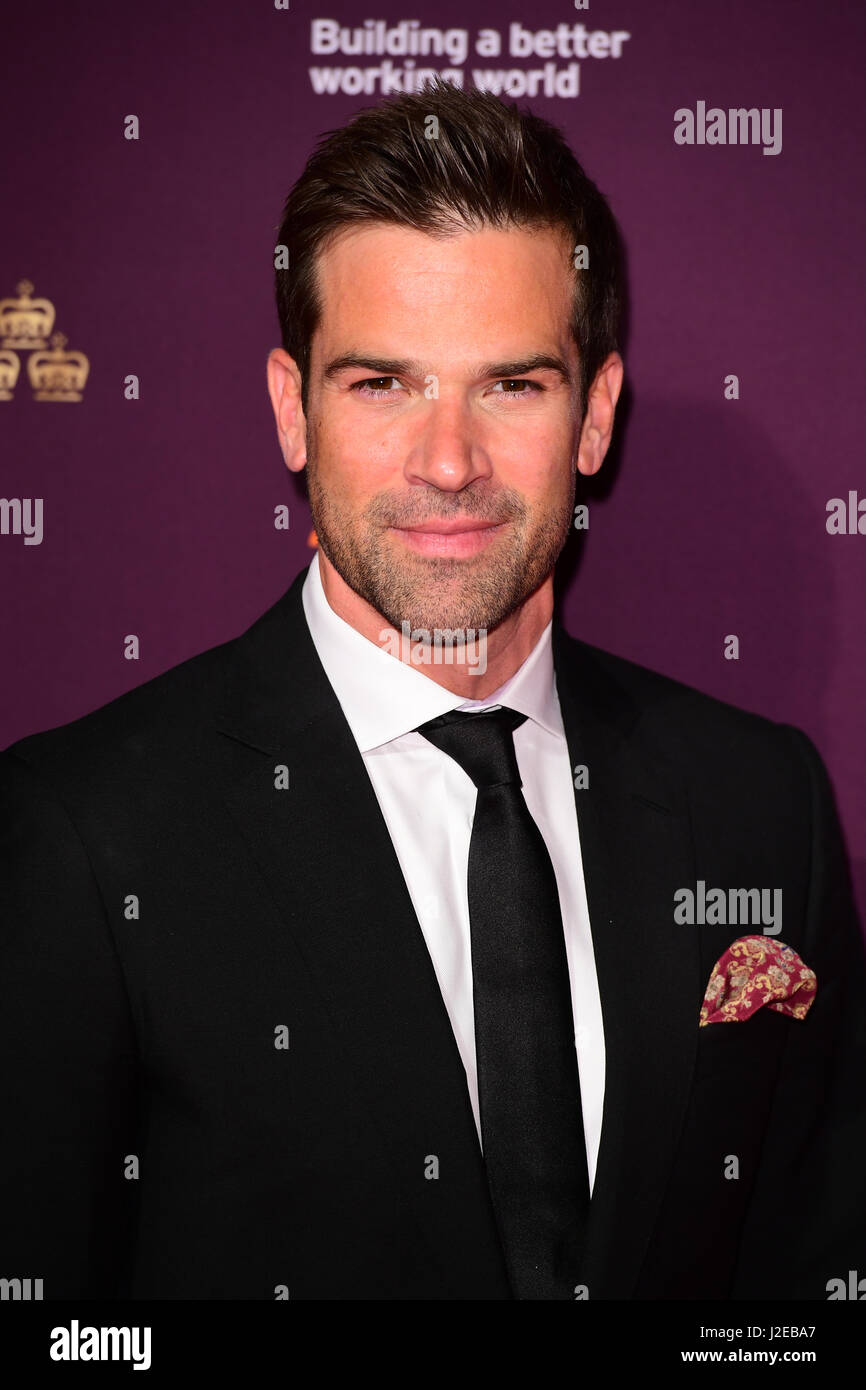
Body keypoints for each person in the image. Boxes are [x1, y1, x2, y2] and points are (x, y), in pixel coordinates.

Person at [2, 79, 865, 1301]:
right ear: (291, 411)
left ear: (594, 415)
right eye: (381, 384)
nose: (447, 460)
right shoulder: (82, 833)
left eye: (509, 384)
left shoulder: (756, 800)